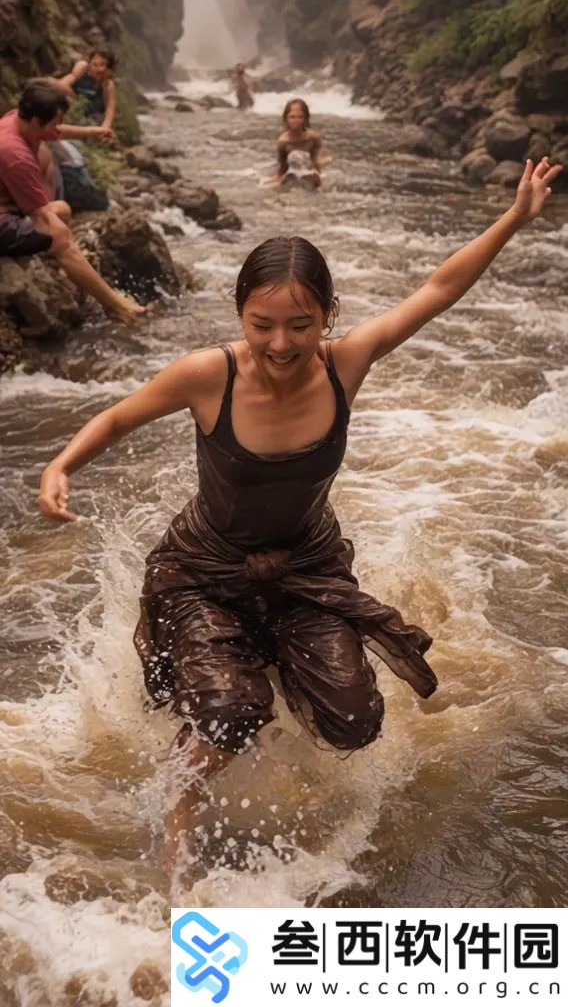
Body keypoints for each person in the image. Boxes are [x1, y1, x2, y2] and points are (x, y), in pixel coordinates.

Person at [38, 156, 561, 867]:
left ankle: (265, 666)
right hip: (205, 566)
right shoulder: (206, 374)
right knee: (228, 710)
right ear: (239, 315)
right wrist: (61, 465)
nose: (281, 344)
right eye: (262, 325)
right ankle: (180, 805)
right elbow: (118, 418)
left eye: (300, 325)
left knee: (353, 718)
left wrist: (515, 217)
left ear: (328, 317)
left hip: (308, 563)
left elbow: (438, 288)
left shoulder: (347, 363)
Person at [0, 79, 149, 325]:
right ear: (37, 121)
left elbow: (56, 132)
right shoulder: (14, 153)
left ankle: (60, 265)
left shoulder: (19, 119)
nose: (57, 128)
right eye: (55, 121)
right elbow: (43, 219)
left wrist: (93, 132)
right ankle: (116, 306)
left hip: (10, 208)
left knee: (63, 210)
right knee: (59, 236)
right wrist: (61, 241)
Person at [58, 48, 117, 130]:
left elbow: (109, 112)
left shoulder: (108, 85)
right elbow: (59, 85)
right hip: (69, 114)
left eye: (103, 65)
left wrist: (103, 130)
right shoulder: (81, 73)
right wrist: (75, 98)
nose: (99, 69)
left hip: (88, 121)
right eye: (95, 64)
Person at [276, 99, 323, 189]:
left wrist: (319, 176)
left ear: (305, 118)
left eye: (300, 117)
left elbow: (315, 162)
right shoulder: (283, 141)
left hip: (309, 172)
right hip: (291, 174)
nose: (296, 121)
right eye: (292, 117)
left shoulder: (314, 138)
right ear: (286, 118)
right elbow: (282, 167)